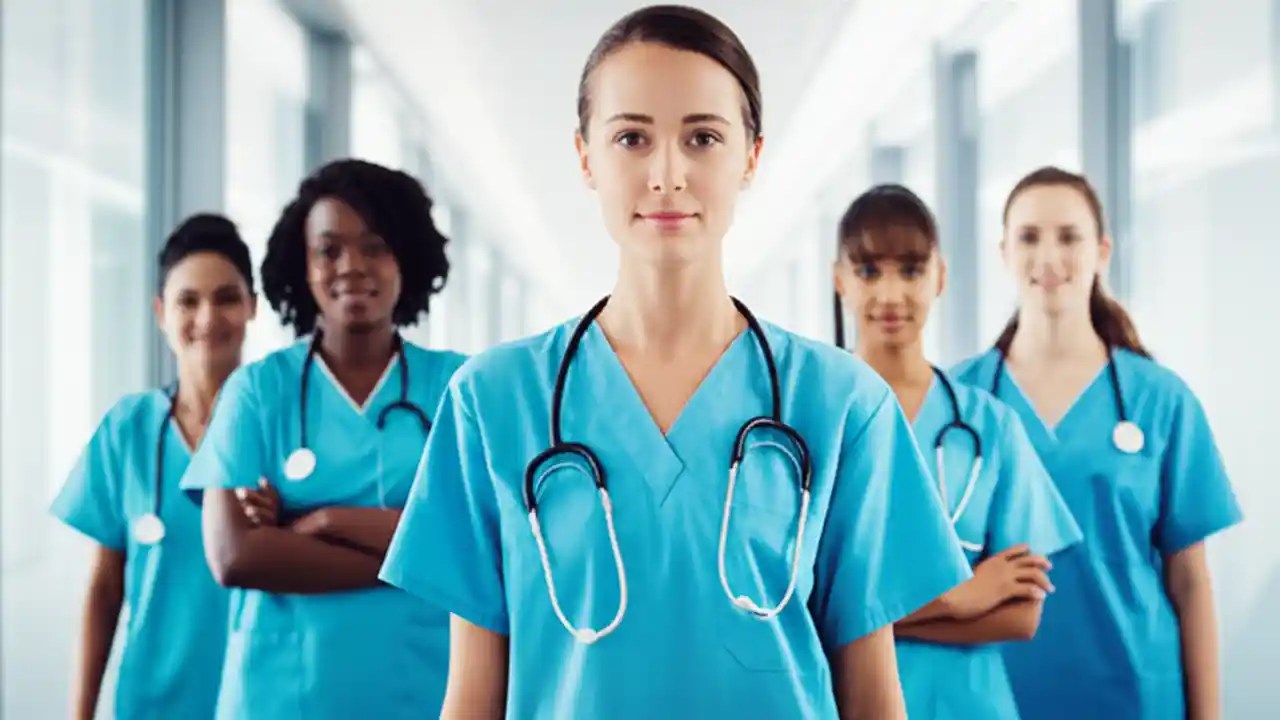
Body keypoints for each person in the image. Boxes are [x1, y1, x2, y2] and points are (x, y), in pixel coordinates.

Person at [379, 6, 972, 718]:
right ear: (585, 157)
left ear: (750, 156)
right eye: (632, 137)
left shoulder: (843, 404)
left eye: (703, 138)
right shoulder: (493, 401)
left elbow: (873, 696)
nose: (666, 174)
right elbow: (473, 697)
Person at [952, 166, 1243, 720]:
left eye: (1069, 236)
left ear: (1102, 250)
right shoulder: (960, 400)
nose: (1049, 257)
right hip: (992, 697)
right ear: (1003, 252)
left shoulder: (1159, 399)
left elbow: (1190, 583)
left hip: (1133, 695)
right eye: (1029, 237)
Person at [178, 159, 466, 719]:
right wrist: (418, 561)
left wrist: (323, 522)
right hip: (277, 699)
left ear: (405, 255)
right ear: (302, 266)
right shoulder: (258, 391)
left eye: (375, 245)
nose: (351, 266)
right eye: (328, 250)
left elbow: (479, 540)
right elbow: (235, 556)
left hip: (420, 696)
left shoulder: (460, 386)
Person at [832, 184, 1083, 718]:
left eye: (912, 270)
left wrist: (866, 615)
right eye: (869, 271)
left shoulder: (988, 426)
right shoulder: (816, 421)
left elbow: (1021, 615)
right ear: (840, 281)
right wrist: (959, 597)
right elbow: (799, 603)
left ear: (940, 276)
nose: (891, 294)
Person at [50, 214, 255, 719]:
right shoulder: (128, 429)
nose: (207, 318)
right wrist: (80, 713)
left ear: (252, 306)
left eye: (226, 297)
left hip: (260, 697)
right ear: (161, 312)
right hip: (151, 704)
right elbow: (104, 588)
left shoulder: (281, 426)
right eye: (188, 300)